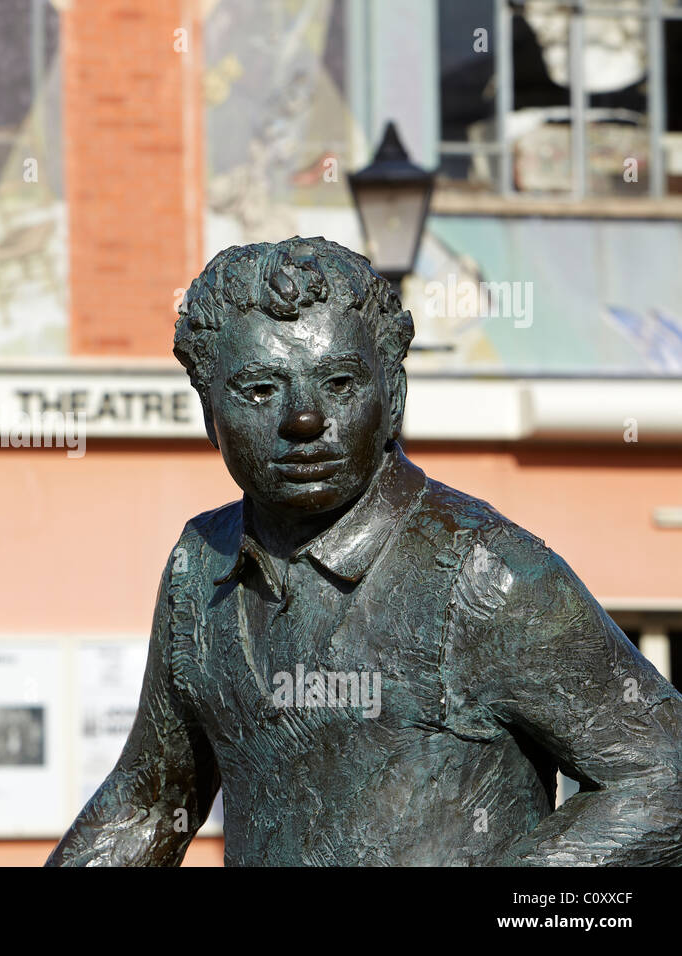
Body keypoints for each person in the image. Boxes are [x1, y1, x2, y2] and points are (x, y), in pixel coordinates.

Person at [46, 237, 682, 866]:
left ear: (394, 396)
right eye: (260, 391)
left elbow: (663, 781)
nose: (302, 421)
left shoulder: (486, 575)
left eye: (340, 382)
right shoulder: (199, 567)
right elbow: (150, 804)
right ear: (210, 413)